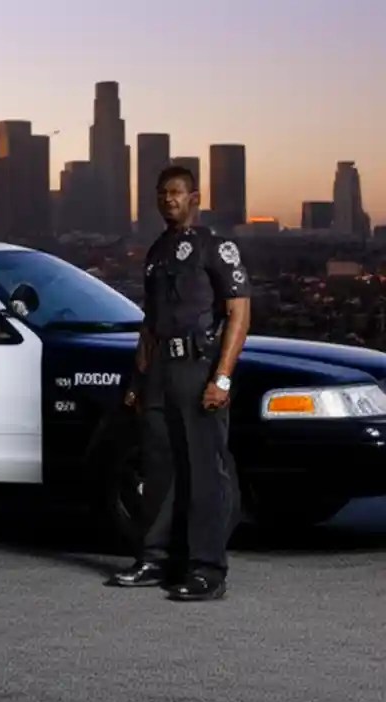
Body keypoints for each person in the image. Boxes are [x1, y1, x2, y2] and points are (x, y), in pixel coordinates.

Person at [107, 165, 251, 601]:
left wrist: (222, 378)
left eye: (176, 192)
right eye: (161, 192)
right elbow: (149, 324)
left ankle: (207, 569)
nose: (167, 199)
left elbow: (239, 314)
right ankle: (155, 558)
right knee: (159, 469)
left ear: (194, 197)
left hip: (198, 367)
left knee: (205, 472)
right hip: (159, 373)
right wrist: (138, 378)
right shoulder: (155, 251)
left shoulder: (216, 247)